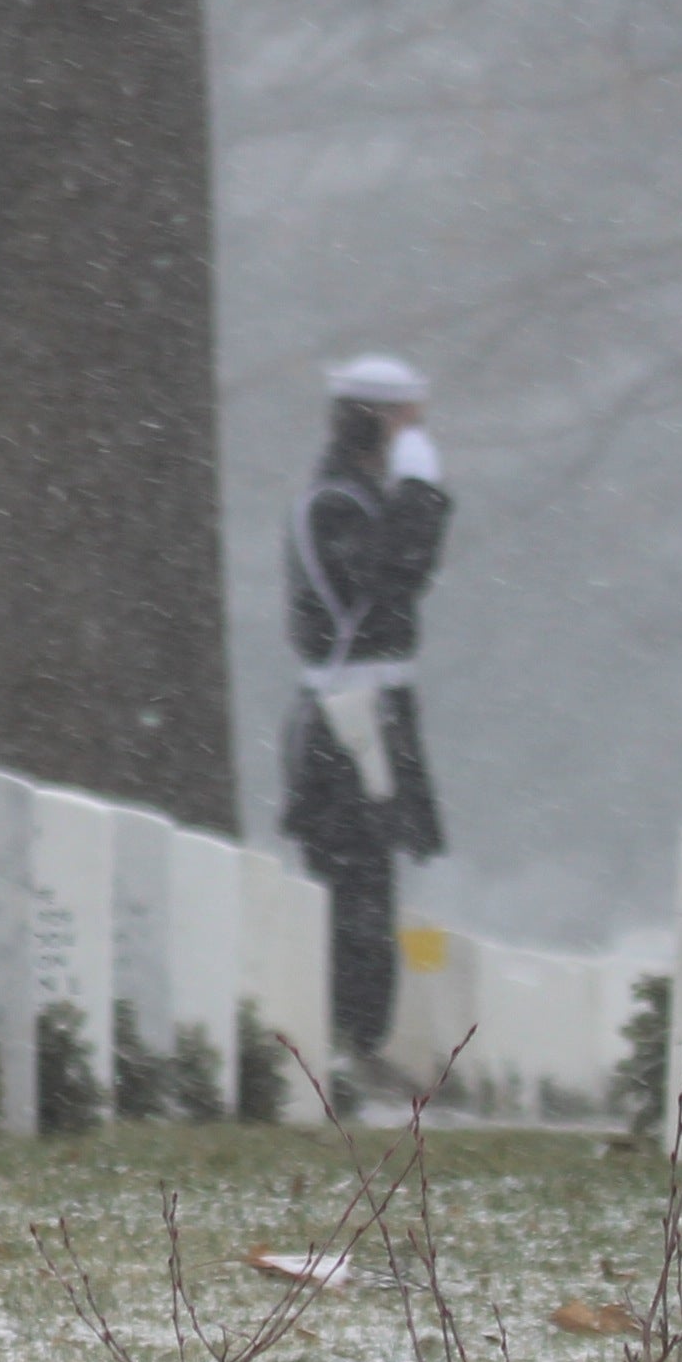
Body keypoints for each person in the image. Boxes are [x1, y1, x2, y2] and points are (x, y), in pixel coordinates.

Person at [277, 353, 451, 1076]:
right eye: (408, 417)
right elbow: (392, 579)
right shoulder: (335, 503)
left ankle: (360, 1037)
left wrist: (413, 492)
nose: (419, 428)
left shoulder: (357, 498)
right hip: (346, 720)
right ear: (376, 419)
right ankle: (347, 1038)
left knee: (371, 878)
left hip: (373, 709)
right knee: (353, 882)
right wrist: (419, 491)